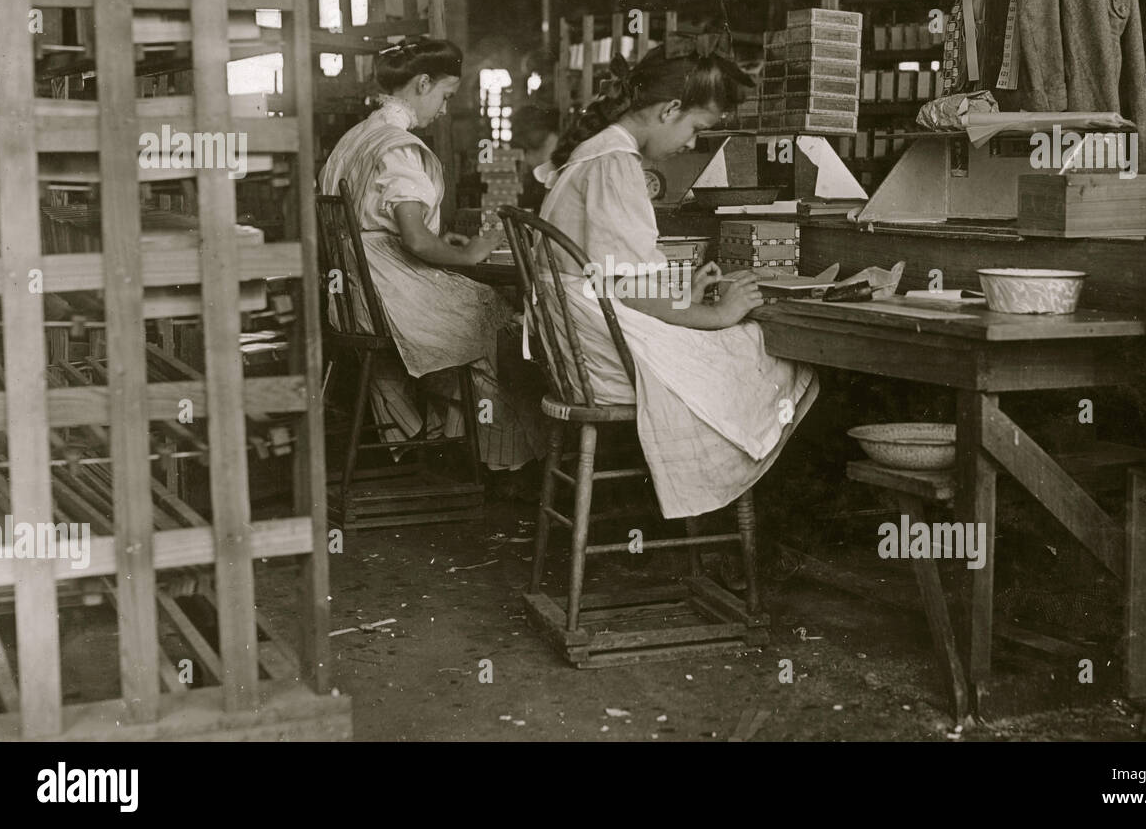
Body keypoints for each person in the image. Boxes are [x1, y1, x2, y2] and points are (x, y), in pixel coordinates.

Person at [535, 46, 818, 519]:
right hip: (602, 357)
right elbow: (626, 289)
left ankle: (727, 516)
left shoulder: (590, 154)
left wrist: (682, 295)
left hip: (577, 345)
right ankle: (738, 517)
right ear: (669, 110)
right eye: (696, 129)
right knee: (767, 348)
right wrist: (715, 313)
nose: (691, 144)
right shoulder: (617, 164)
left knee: (739, 348)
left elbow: (612, 278)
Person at [319, 38, 543, 472]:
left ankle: (428, 440)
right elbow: (417, 242)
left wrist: (443, 246)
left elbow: (388, 228)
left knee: (469, 320)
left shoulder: (353, 139)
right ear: (422, 83)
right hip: (387, 294)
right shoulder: (398, 148)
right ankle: (490, 461)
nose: (443, 110)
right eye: (445, 96)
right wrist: (473, 252)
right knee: (497, 319)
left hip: (352, 296)